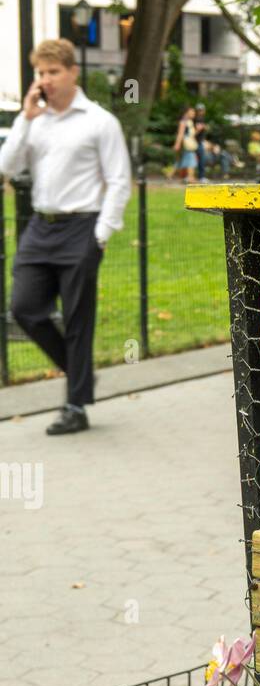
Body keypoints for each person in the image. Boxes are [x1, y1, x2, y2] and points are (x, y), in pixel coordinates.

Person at [0, 38, 131, 436]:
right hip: (40, 227)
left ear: (73, 73)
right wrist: (24, 117)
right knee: (25, 308)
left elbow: (120, 181)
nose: (47, 79)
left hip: (81, 228)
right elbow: (5, 167)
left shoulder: (100, 121)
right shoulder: (33, 122)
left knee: (77, 319)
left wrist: (101, 235)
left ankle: (75, 405)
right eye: (41, 72)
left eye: (54, 71)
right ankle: (82, 376)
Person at [173, 105, 198, 183]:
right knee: (191, 160)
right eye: (192, 112)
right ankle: (190, 177)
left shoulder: (189, 122)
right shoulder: (183, 122)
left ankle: (172, 175)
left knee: (184, 161)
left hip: (190, 144)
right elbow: (180, 134)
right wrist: (177, 144)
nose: (194, 113)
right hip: (187, 145)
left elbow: (192, 134)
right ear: (186, 113)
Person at [194, 103, 208, 181]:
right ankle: (201, 176)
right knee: (201, 159)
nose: (201, 111)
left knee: (199, 159)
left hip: (200, 141)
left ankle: (200, 176)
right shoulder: (197, 119)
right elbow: (197, 130)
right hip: (197, 142)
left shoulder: (201, 118)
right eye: (199, 110)